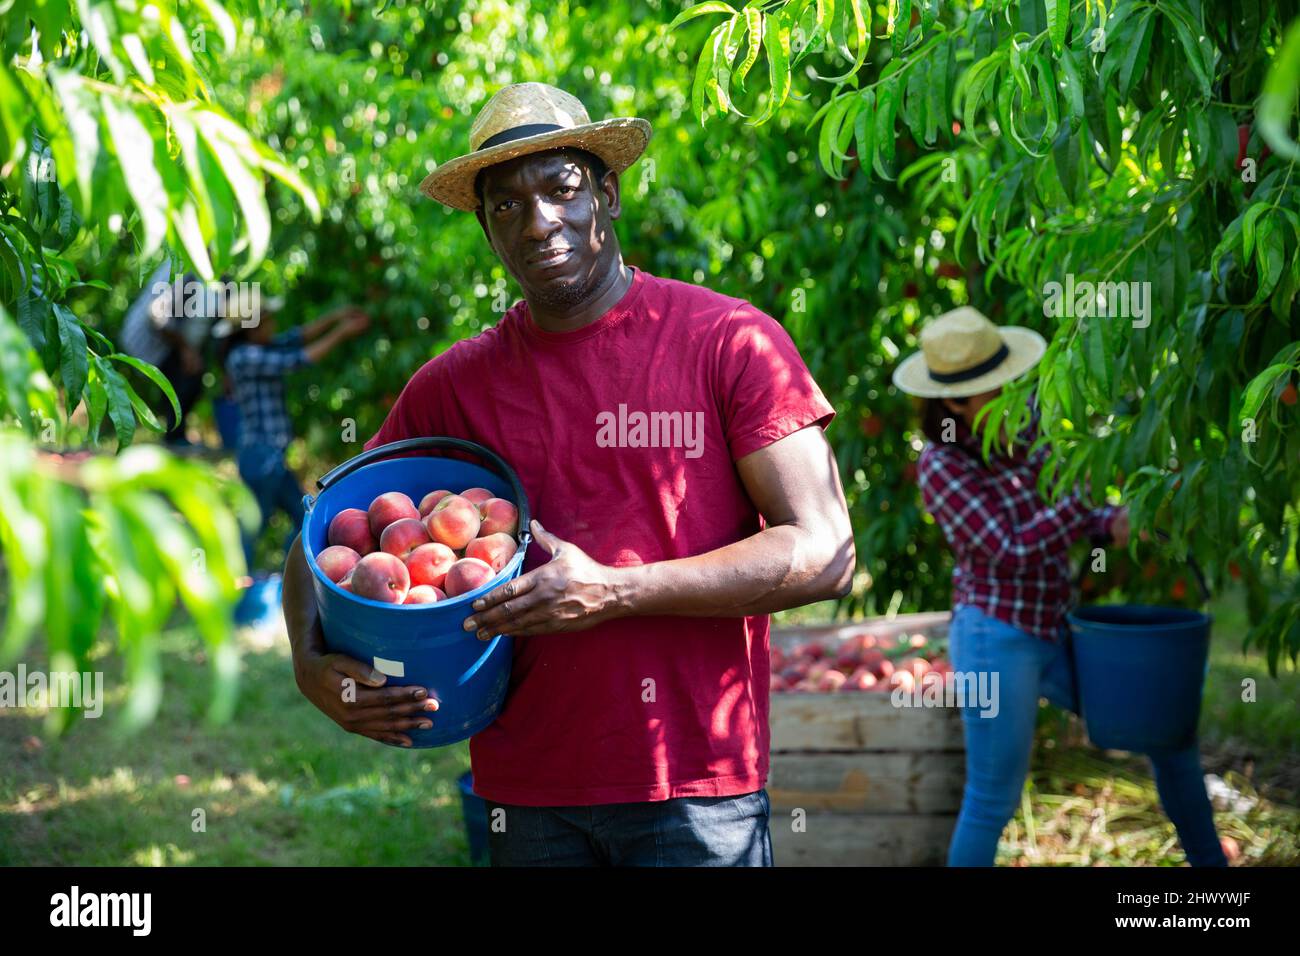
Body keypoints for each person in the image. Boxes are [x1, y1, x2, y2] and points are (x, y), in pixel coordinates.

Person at [281, 81, 855, 867]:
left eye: (561, 188)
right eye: (507, 206)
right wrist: (313, 668)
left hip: (691, 788)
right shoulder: (454, 389)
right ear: (487, 231)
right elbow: (323, 533)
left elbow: (826, 552)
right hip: (526, 792)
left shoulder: (728, 341)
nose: (539, 220)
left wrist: (618, 589)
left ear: (608, 195)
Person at [893, 306, 1226, 867]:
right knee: (992, 797)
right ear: (952, 402)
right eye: (991, 389)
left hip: (1057, 627)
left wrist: (1119, 521)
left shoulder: (1026, 433)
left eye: (1009, 382)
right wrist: (1084, 503)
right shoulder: (942, 465)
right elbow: (1012, 548)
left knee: (1170, 738)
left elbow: (1078, 515)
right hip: (996, 637)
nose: (1011, 395)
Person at [219, 296, 370, 573]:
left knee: (302, 518)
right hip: (260, 455)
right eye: (268, 321)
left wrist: (336, 316)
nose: (274, 326)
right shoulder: (244, 356)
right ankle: (235, 582)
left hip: (270, 455)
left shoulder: (259, 346)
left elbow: (298, 337)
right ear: (252, 328)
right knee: (255, 522)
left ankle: (284, 575)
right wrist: (342, 332)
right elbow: (298, 359)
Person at [119, 256, 227, 446]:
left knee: (192, 379)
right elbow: (157, 315)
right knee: (181, 380)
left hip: (179, 342)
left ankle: (176, 434)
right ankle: (174, 436)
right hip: (155, 340)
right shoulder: (185, 270)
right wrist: (185, 349)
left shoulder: (216, 277)